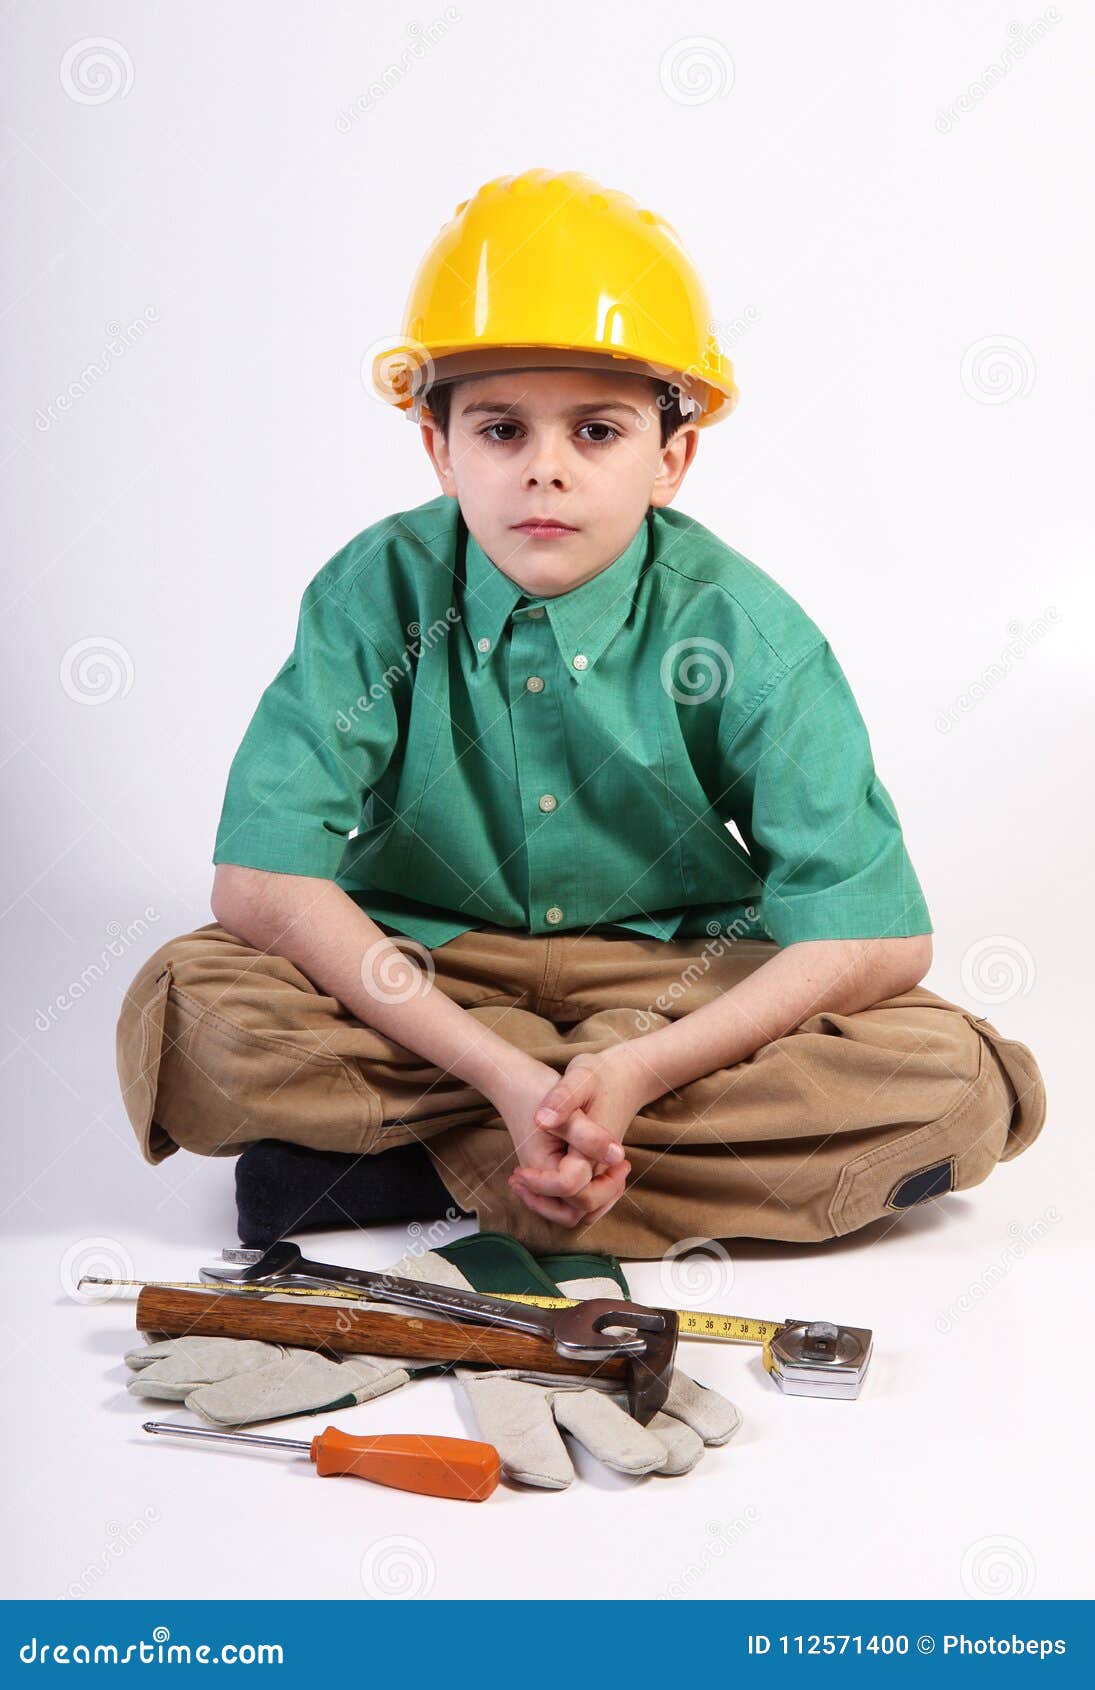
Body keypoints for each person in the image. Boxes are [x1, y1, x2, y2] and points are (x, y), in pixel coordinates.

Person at [115, 168, 1046, 1256]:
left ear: (672, 458)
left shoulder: (746, 628)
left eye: (596, 433)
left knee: (959, 1082)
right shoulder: (376, 591)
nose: (544, 473)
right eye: (502, 431)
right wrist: (499, 1066)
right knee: (190, 1004)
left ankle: (438, 1166)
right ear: (439, 448)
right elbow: (261, 883)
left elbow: (875, 934)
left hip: (671, 985)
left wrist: (640, 1065)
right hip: (424, 965)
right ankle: (575, 1141)